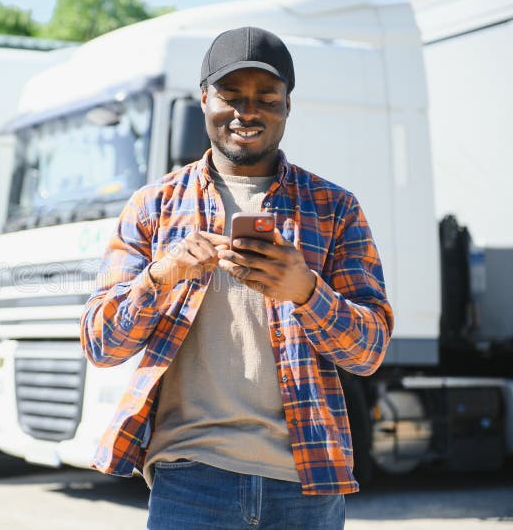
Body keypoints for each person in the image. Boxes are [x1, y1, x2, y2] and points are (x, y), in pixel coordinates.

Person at [80, 26, 394, 529]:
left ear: (287, 105)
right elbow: (101, 343)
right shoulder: (153, 206)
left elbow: (369, 351)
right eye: (231, 96)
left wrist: (306, 292)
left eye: (266, 98)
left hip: (305, 484)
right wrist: (160, 277)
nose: (247, 112)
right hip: (190, 479)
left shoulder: (335, 208)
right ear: (204, 99)